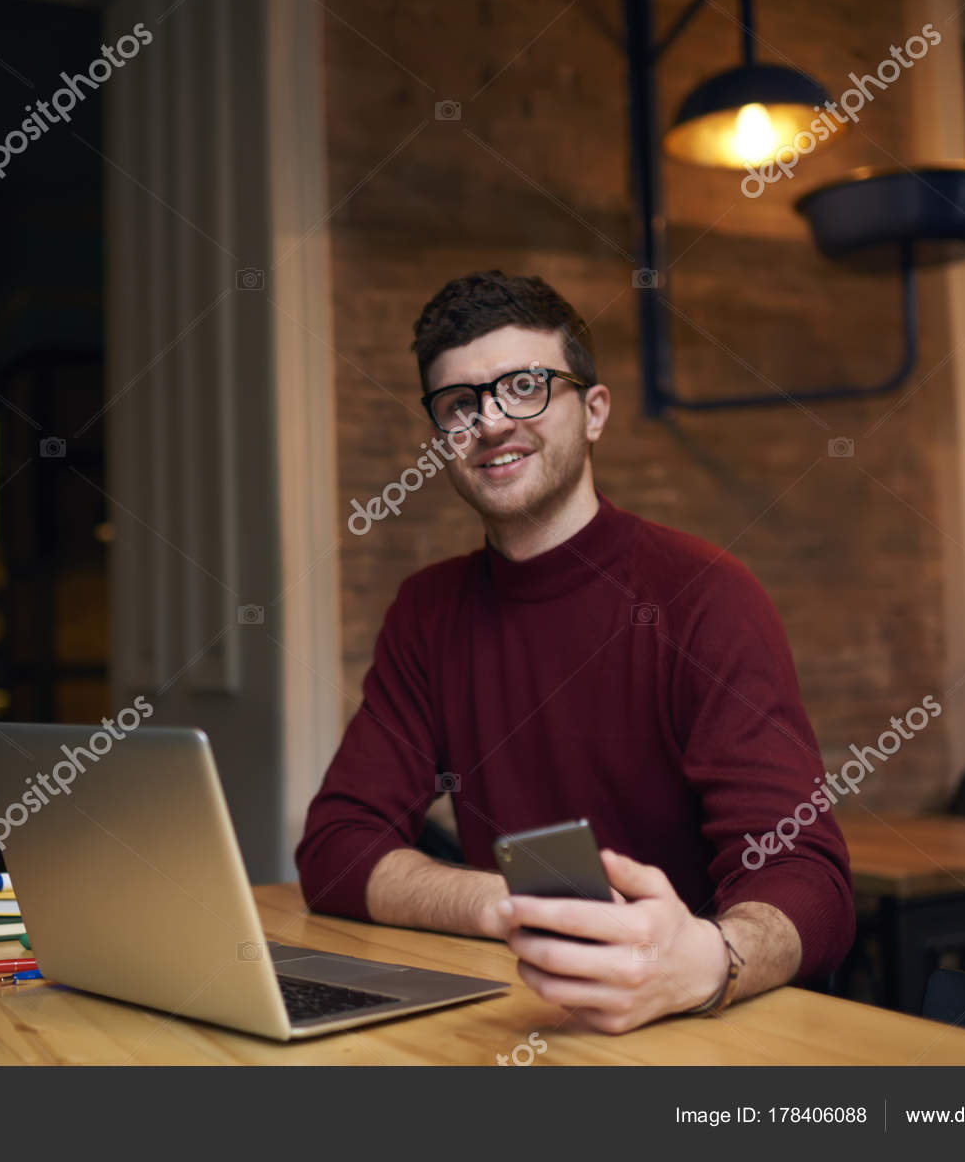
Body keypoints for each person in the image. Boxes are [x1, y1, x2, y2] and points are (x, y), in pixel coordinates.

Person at [296, 270, 855, 1033]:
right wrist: (515, 907)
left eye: (525, 387)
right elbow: (335, 847)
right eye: (462, 403)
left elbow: (809, 880)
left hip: (702, 1030)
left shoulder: (706, 595)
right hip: (538, 1011)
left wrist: (712, 961)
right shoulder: (427, 611)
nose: (492, 423)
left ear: (593, 412)